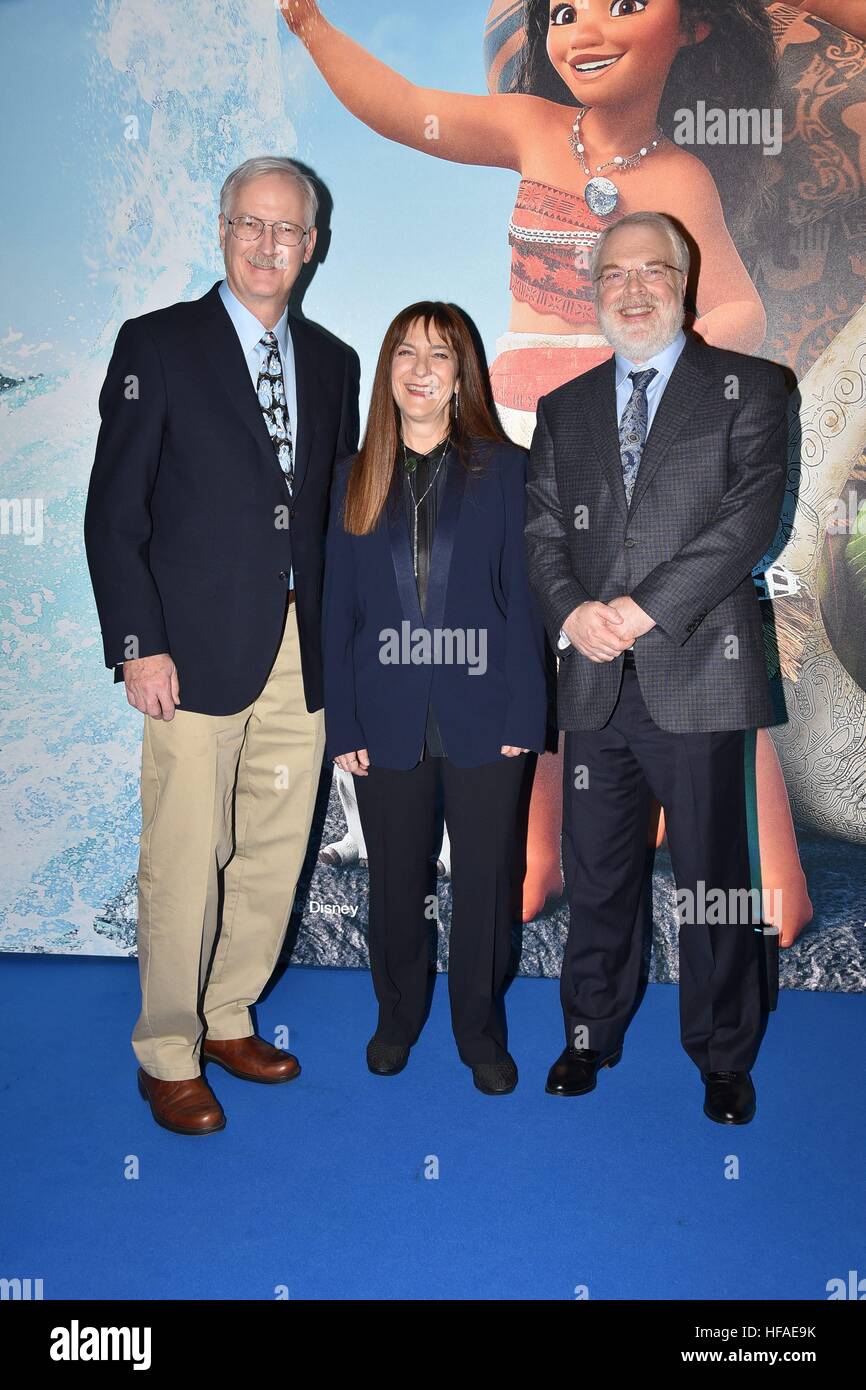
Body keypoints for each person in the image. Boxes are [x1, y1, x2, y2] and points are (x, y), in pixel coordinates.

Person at [276, 0, 812, 941]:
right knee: (521, 640)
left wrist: (628, 358)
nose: (585, 30)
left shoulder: (682, 175)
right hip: (512, 432)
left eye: (626, 5)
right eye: (563, 11)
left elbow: (742, 317)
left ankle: (769, 871)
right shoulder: (532, 129)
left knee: (680, 639)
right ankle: (538, 851)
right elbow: (405, 106)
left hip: (612, 440)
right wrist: (313, 25)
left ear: (689, 31)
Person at [84, 156, 360, 1135]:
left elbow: (329, 517)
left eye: (288, 230)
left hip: (300, 651)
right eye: (251, 224)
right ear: (222, 228)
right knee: (181, 853)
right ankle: (166, 1049)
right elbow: (113, 515)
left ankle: (226, 1015)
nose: (268, 244)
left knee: (274, 851)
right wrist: (137, 644)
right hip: (188, 653)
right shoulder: (155, 345)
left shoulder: (332, 361)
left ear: (311, 245)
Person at [525, 211, 788, 1124]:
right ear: (593, 288)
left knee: (715, 876)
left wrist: (642, 609)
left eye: (653, 272)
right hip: (597, 686)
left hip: (700, 672)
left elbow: (746, 525)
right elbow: (543, 533)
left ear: (684, 279)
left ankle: (723, 1055)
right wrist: (572, 612)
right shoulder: (562, 410)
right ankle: (589, 1034)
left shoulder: (753, 389)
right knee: (597, 872)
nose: (632, 290)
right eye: (612, 274)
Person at [322, 302, 547, 1095]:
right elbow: (336, 611)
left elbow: (525, 602)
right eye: (406, 354)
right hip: (384, 719)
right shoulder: (353, 476)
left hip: (485, 714)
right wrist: (341, 719)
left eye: (440, 356)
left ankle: (479, 1031)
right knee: (396, 883)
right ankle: (397, 1015)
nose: (421, 369)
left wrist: (526, 713)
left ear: (462, 378)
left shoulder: (504, 469)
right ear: (388, 372)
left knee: (486, 880)